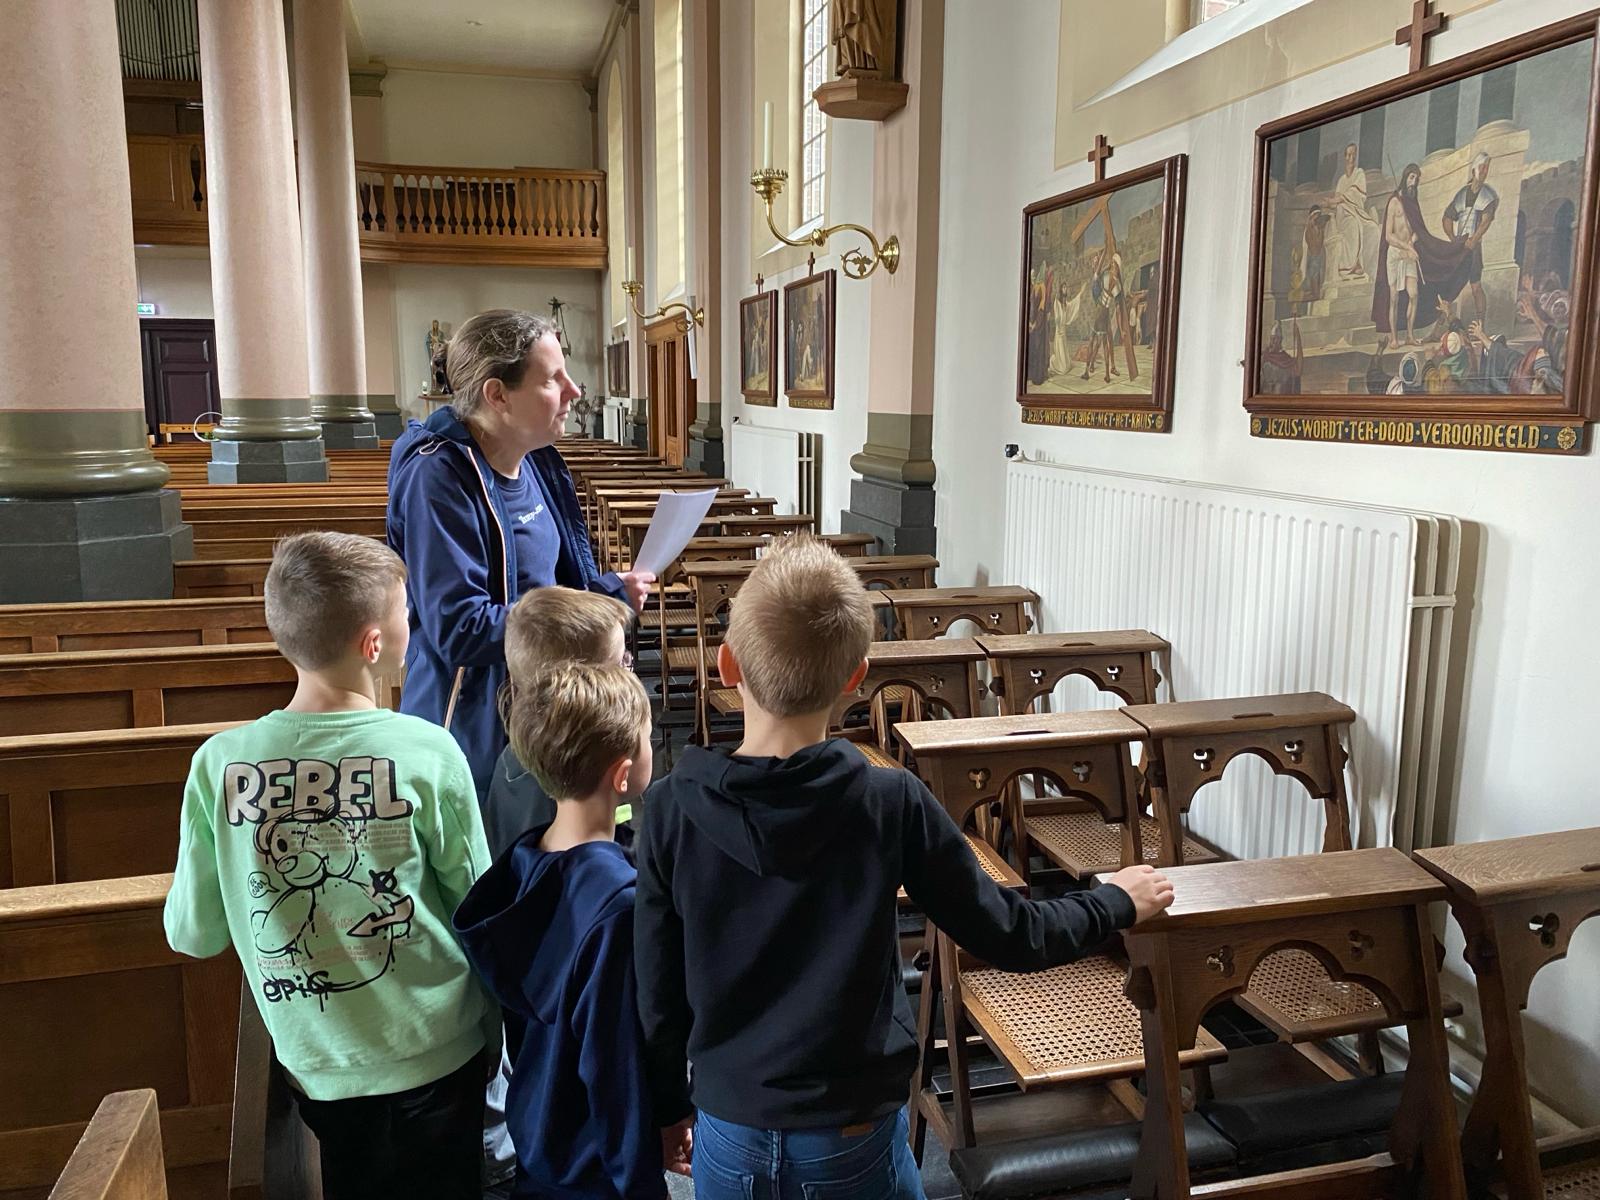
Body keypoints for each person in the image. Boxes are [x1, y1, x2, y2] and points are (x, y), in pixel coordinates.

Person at [634, 536, 1175, 1200]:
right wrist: (1114, 902)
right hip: (848, 1131)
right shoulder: (887, 802)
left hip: (730, 1124)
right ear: (857, 680)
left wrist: (666, 1107)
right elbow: (1008, 932)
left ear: (725, 666)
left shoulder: (667, 811)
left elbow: (656, 996)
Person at [163, 532, 496, 1200]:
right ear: (375, 644)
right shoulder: (427, 752)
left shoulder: (220, 764)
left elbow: (192, 932)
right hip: (438, 1048)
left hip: (319, 1060)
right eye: (406, 612)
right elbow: (480, 911)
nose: (415, 623)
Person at [386, 309, 654, 801]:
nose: (574, 391)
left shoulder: (537, 459)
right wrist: (601, 605)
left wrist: (601, 592)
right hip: (476, 722)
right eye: (553, 379)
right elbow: (459, 627)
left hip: (542, 710)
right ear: (497, 394)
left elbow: (550, 584)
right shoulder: (438, 480)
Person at [454, 663, 665, 1200]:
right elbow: (614, 1068)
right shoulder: (616, 906)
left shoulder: (524, 864)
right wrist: (641, 1181)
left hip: (540, 1137)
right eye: (646, 738)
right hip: (598, 1166)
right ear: (623, 775)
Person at [486, 585, 639, 858]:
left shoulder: (516, 759)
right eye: (621, 663)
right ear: (579, 690)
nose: (630, 673)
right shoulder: (571, 787)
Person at [1442, 152, 1499, 325]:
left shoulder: (1489, 195)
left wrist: (1473, 240)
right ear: (1474, 169)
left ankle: (1480, 326)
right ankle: (1437, 331)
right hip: (1459, 248)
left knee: (1475, 287)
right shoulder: (1462, 193)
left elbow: (1485, 221)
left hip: (1473, 249)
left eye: (1487, 167)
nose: (1484, 171)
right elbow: (1447, 217)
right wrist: (1453, 237)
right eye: (1482, 167)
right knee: (1449, 291)